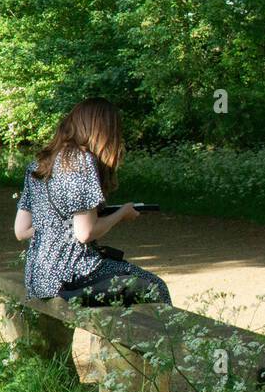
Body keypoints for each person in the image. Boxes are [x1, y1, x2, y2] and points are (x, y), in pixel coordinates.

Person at [13, 97, 171, 306]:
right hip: (72, 277)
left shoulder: (38, 164)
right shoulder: (80, 160)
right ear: (102, 130)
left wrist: (68, 224)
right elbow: (85, 233)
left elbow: (21, 231)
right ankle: (154, 338)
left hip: (39, 280)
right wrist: (121, 214)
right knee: (154, 287)